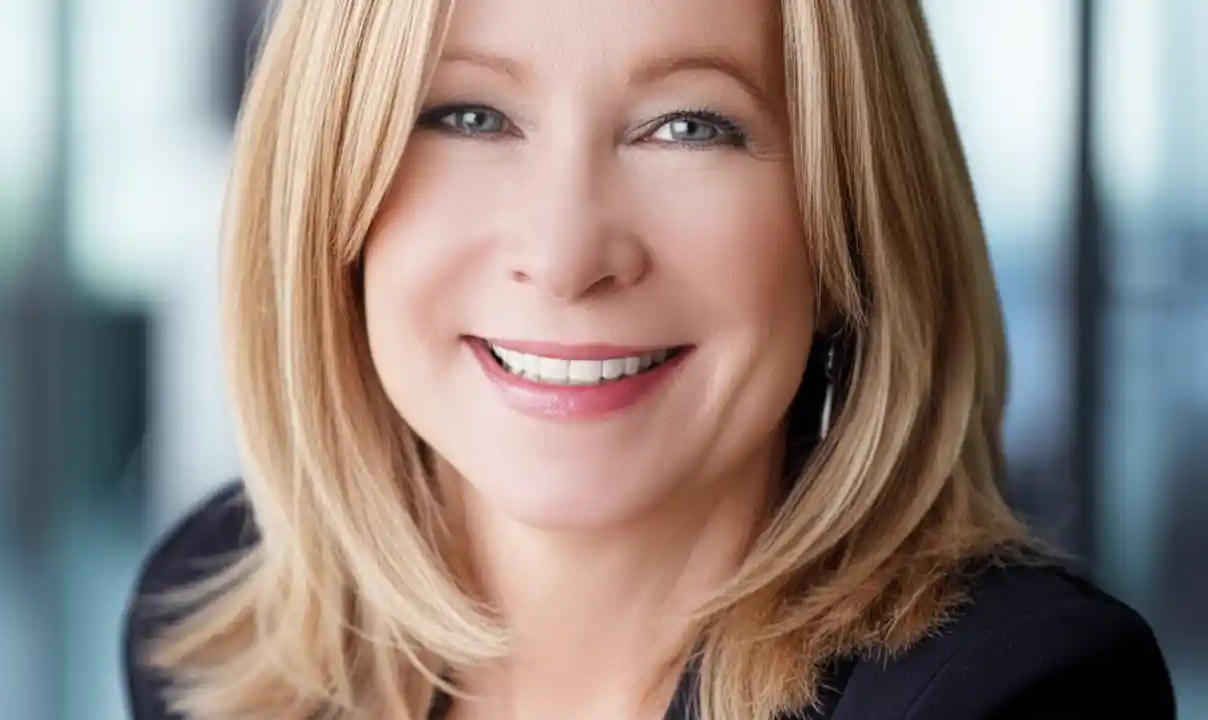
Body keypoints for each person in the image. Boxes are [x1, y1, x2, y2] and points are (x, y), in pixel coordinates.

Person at [122, 0, 1176, 718]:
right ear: (325, 187)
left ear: (845, 221)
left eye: (688, 126)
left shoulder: (1008, 693)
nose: (566, 253)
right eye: (467, 114)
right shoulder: (219, 624)